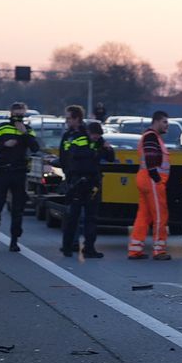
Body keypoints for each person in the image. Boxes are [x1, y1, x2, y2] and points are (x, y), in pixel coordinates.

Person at [59, 108, 114, 258]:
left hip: (92, 183)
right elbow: (72, 156)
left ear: (77, 118)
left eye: (69, 118)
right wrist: (68, 176)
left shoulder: (95, 136)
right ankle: (68, 246)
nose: (67, 121)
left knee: (91, 218)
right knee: (72, 217)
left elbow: (109, 156)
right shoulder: (74, 137)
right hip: (76, 181)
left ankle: (89, 248)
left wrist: (105, 149)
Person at [0, 102, 39, 252]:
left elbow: (35, 148)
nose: (19, 117)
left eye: (22, 114)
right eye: (17, 114)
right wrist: (5, 144)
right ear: (11, 113)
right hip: (3, 171)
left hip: (19, 172)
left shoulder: (28, 130)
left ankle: (14, 241)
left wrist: (25, 134)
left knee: (18, 208)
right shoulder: (2, 128)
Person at [128, 110, 172, 260]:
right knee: (160, 215)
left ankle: (135, 249)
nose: (167, 125)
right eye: (165, 122)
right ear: (157, 121)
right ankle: (159, 250)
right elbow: (150, 156)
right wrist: (156, 178)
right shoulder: (152, 137)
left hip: (146, 179)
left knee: (144, 216)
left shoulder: (150, 136)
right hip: (152, 180)